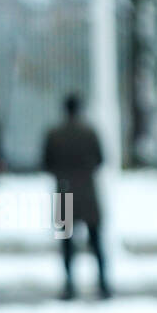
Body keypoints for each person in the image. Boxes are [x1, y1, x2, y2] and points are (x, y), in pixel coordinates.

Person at [42, 92, 110, 299]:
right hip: (87, 192)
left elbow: (46, 163)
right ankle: (103, 283)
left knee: (67, 243)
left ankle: (69, 284)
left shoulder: (54, 134)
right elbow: (100, 159)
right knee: (96, 240)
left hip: (64, 191)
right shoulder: (89, 133)